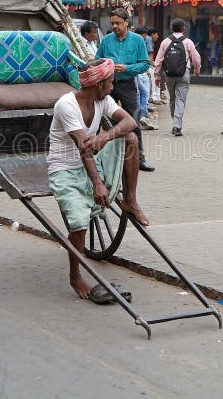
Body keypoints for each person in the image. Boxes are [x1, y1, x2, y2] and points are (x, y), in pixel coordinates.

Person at [47, 58, 149, 300]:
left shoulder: (103, 100)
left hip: (92, 159)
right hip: (64, 169)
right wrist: (97, 183)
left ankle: (130, 200)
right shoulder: (66, 105)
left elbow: (129, 122)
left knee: (131, 139)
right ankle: (75, 276)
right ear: (99, 83)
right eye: (111, 82)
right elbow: (83, 147)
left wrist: (104, 138)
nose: (113, 87)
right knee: (78, 222)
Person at [95, 8, 154, 172]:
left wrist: (127, 68)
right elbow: (97, 60)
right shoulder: (106, 40)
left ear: (127, 22)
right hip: (107, 85)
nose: (114, 26)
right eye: (112, 23)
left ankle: (139, 159)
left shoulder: (137, 40)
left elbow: (145, 64)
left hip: (128, 84)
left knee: (133, 121)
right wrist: (106, 66)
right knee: (106, 121)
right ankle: (109, 160)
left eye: (118, 23)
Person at [154, 18, 201, 136]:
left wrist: (157, 76)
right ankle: (177, 125)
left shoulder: (165, 42)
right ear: (183, 29)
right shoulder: (188, 42)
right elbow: (196, 58)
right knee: (181, 99)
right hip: (184, 74)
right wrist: (197, 70)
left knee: (173, 99)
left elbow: (159, 60)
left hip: (169, 74)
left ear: (171, 28)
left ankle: (175, 122)